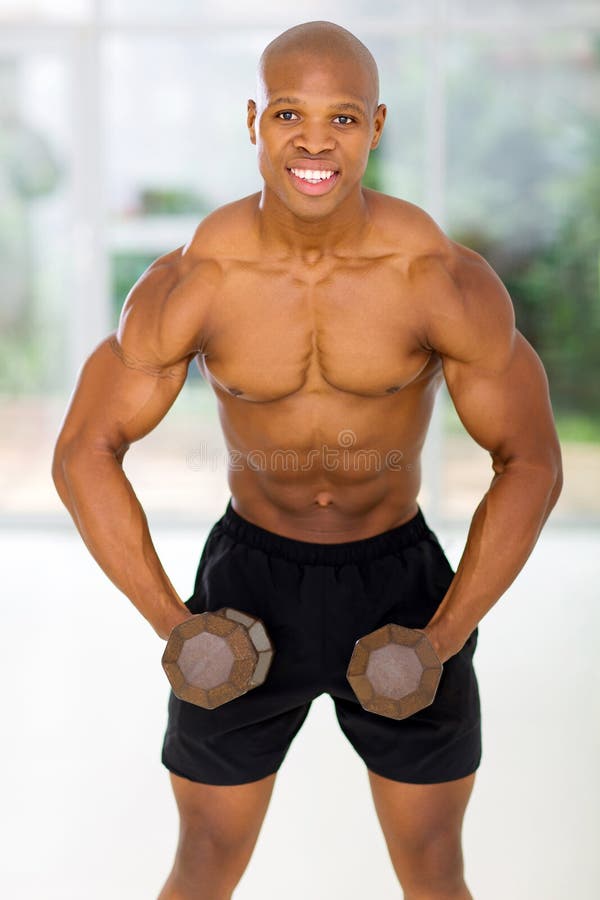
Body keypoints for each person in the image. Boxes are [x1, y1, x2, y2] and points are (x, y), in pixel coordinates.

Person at [52, 19, 562, 900]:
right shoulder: (199, 279)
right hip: (249, 577)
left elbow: (532, 461)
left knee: (434, 866)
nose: (315, 142)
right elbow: (84, 453)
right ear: (253, 120)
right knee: (205, 857)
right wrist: (177, 628)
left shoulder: (436, 276)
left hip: (400, 579)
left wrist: (441, 638)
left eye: (343, 118)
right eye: (289, 113)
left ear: (377, 125)